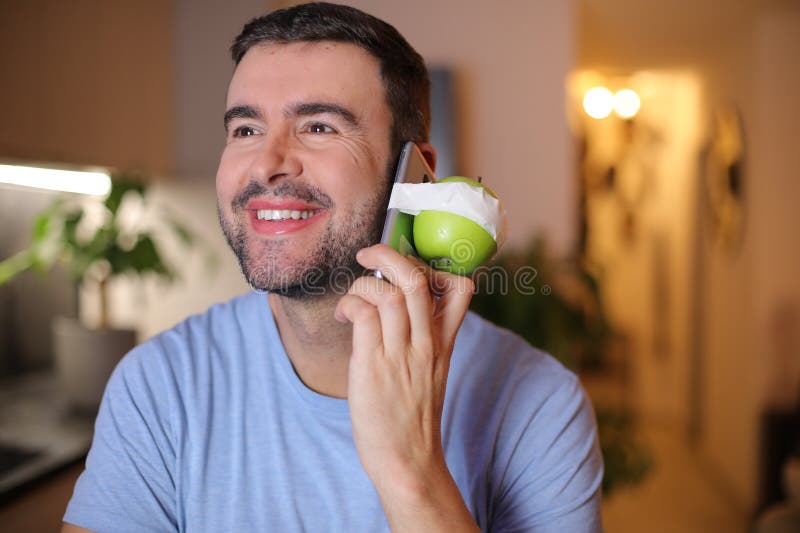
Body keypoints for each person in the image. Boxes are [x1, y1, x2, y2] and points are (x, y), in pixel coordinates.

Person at [62, 3, 603, 532]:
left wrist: (411, 473)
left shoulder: (539, 405)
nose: (268, 163)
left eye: (318, 127)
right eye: (246, 129)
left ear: (416, 177)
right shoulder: (160, 385)